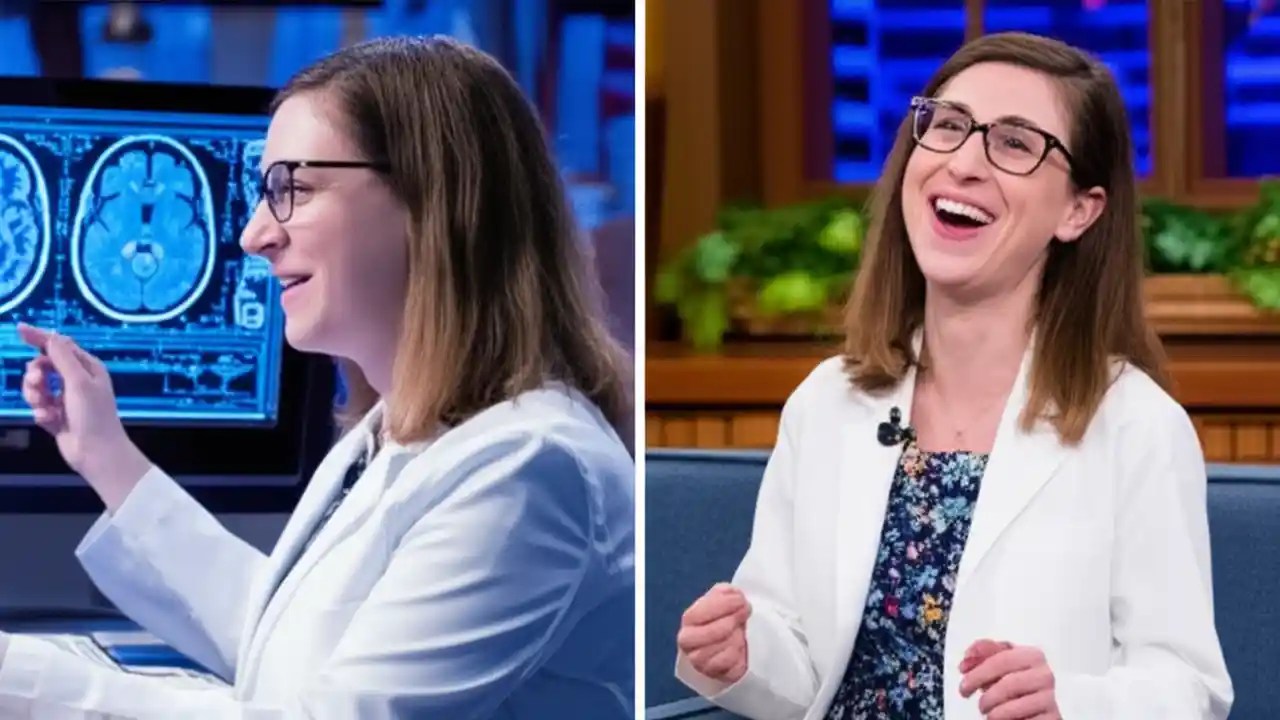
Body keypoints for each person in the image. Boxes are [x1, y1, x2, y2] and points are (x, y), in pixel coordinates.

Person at [3, 35, 635, 719]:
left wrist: (21, 679)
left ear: (434, 198)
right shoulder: (396, 435)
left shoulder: (529, 469)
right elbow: (283, 639)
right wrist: (104, 454)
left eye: (291, 190)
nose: (252, 236)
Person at [674, 31, 1232, 720]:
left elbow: (1188, 687)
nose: (963, 162)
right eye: (946, 126)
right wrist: (741, 652)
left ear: (1078, 210)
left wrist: (1072, 705)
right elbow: (801, 662)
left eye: (1016, 143)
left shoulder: (1137, 425)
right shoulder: (827, 403)